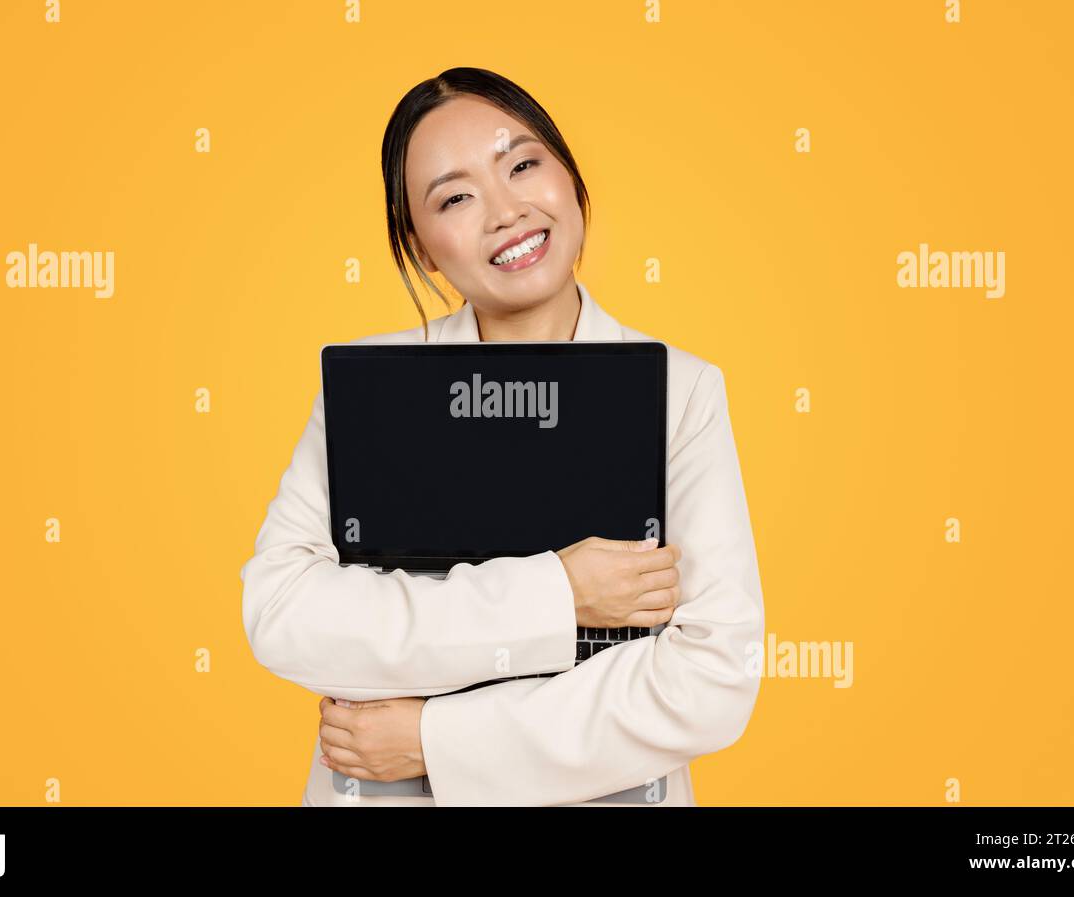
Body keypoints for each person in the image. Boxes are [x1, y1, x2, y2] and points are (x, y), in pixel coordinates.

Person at [240, 67, 764, 806]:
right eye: (456, 197)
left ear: (573, 183)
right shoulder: (369, 390)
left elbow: (711, 678)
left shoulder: (682, 391)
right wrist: (561, 591)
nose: (506, 211)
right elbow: (285, 616)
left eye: (522, 164)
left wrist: (431, 738)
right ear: (421, 246)